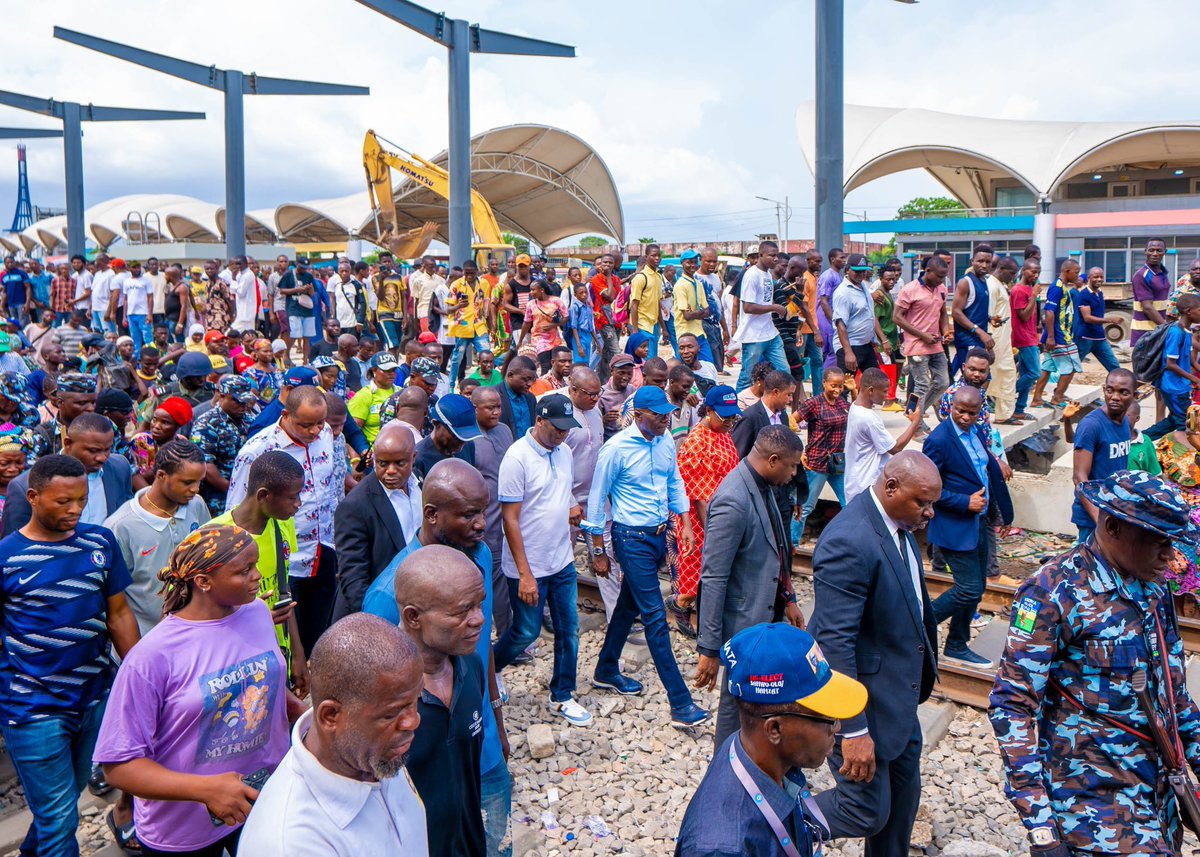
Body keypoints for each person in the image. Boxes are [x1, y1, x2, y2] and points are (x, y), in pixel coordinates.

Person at [991, 470, 1200, 856]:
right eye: (1159, 542)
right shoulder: (1052, 592)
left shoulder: (1152, 589)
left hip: (1158, 804)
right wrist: (1040, 826)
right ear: (1114, 526)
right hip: (1093, 811)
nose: (1171, 557)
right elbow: (1012, 707)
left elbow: (1174, 696)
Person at [93, 525, 303, 857]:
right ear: (203, 582)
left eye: (256, 565)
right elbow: (119, 766)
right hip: (183, 829)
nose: (257, 576)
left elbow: (265, 684)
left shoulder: (258, 613)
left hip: (263, 801)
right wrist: (207, 790)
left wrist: (309, 719)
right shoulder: (152, 658)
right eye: (244, 570)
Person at [0, 454, 139, 857]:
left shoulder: (99, 543)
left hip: (93, 698)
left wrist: (138, 678)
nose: (75, 509)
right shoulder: (7, 558)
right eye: (63, 501)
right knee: (61, 819)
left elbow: (118, 614)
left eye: (80, 499)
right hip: (32, 707)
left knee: (62, 804)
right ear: (33, 497)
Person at [809, 452, 941, 857]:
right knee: (865, 810)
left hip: (897, 698)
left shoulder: (899, 524)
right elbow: (835, 645)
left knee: (901, 807)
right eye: (922, 502)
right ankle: (769, 818)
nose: (930, 513)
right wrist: (853, 730)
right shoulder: (850, 539)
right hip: (863, 705)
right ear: (890, 488)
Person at [236, 614, 427, 856]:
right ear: (330, 715)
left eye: (415, 701)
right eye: (390, 714)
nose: (413, 721)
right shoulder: (290, 844)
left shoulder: (372, 751)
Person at [677, 623, 867, 857]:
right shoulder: (724, 847)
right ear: (775, 728)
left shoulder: (756, 752)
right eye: (827, 719)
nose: (837, 727)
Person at [584, 384, 710, 728]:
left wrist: (684, 521)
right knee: (655, 615)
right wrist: (597, 549)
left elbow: (674, 481)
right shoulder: (616, 450)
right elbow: (597, 500)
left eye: (668, 414)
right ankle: (681, 704)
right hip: (630, 538)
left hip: (658, 534)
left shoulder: (665, 439)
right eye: (658, 416)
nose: (666, 421)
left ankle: (606, 669)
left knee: (629, 603)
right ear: (638, 416)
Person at [694, 422, 808, 746]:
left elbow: (776, 547)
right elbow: (713, 577)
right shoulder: (733, 499)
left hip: (765, 617)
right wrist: (709, 648)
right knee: (736, 709)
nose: (793, 475)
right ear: (773, 461)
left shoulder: (765, 485)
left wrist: (789, 597)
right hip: (743, 628)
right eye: (791, 467)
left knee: (758, 704)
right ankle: (724, 777)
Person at [493, 393, 592, 726]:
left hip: (561, 560)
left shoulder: (563, 452)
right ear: (539, 421)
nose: (563, 435)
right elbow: (510, 519)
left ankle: (562, 695)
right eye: (557, 429)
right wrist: (525, 574)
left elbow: (561, 492)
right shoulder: (517, 458)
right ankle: (489, 671)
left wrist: (571, 507)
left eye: (567, 429)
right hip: (529, 565)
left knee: (570, 630)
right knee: (525, 633)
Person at [228, 385, 345, 656]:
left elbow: (334, 488)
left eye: (320, 422)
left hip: (322, 550)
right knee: (281, 640)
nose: (316, 431)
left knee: (317, 631)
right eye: (306, 425)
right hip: (282, 561)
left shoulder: (326, 434)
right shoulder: (258, 450)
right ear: (286, 415)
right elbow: (236, 511)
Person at [391, 545, 489, 856]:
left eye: (480, 605)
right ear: (413, 617)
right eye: (463, 611)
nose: (480, 620)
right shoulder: (383, 701)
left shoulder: (470, 666)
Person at [924, 386, 1014, 668]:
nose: (964, 417)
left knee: (976, 586)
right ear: (950, 407)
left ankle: (956, 645)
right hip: (955, 524)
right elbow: (927, 487)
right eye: (959, 411)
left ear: (980, 413)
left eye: (971, 413)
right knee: (969, 589)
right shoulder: (939, 440)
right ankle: (918, 625)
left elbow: (985, 473)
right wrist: (964, 502)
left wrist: (1002, 513)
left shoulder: (976, 433)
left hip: (979, 522)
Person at [209, 451, 307, 695]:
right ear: (263, 495)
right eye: (292, 497)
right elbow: (195, 610)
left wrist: (297, 652)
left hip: (275, 651)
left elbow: (284, 591)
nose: (299, 504)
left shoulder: (282, 523)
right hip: (235, 661)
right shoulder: (214, 537)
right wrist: (253, 616)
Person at [104, 438, 211, 634]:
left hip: (194, 633)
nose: (195, 489)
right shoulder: (120, 527)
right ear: (161, 475)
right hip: (145, 638)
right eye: (187, 482)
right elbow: (114, 602)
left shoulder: (196, 505)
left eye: (199, 482)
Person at [332, 421, 419, 620]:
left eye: (399, 463)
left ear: (413, 458)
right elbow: (353, 579)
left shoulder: (420, 485)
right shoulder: (354, 506)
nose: (390, 470)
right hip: (375, 615)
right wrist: (375, 624)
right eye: (383, 463)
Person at [5, 412, 133, 535]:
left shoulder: (120, 468)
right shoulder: (24, 486)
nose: (103, 458)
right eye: (93, 450)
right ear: (68, 443)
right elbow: (16, 545)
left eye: (108, 449)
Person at [732, 370, 808, 551]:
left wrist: (797, 494)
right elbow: (739, 457)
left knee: (783, 544)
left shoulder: (782, 416)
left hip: (781, 493)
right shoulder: (750, 417)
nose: (790, 400)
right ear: (775, 392)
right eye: (788, 395)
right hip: (760, 495)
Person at [471, 384, 516, 637]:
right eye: (490, 408)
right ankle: (505, 632)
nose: (496, 412)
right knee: (494, 576)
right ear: (475, 409)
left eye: (499, 406)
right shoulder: (468, 438)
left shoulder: (504, 431)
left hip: (509, 515)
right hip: (485, 520)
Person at [1071, 369, 1135, 542]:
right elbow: (1079, 477)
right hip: (1094, 516)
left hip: (1115, 511)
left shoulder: (1125, 423)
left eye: (1123, 392)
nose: (1115, 396)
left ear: (1134, 395)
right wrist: (1100, 520)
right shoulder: (1091, 425)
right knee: (1091, 566)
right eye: (1110, 390)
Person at [843, 367, 923, 506]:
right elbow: (895, 449)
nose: (887, 395)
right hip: (866, 486)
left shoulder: (855, 406)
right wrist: (916, 422)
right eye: (885, 391)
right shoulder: (869, 419)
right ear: (871, 391)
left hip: (856, 482)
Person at [793, 367, 850, 545]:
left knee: (849, 503)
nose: (837, 390)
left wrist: (854, 390)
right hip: (817, 463)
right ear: (824, 383)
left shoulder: (842, 403)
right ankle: (790, 544)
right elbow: (791, 421)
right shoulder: (814, 403)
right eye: (833, 385)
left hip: (837, 463)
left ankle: (849, 543)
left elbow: (857, 415)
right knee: (806, 507)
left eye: (840, 386)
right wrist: (799, 451)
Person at [189, 375, 254, 516]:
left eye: (246, 402)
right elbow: (206, 467)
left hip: (248, 492)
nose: (243, 406)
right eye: (238, 401)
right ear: (222, 396)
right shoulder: (207, 423)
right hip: (218, 498)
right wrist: (235, 492)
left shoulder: (249, 419)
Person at [734, 241, 790, 391]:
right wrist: (774, 308)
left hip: (770, 333)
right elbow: (747, 307)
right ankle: (738, 411)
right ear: (760, 255)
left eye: (777, 255)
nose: (776, 259)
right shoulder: (752, 275)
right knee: (747, 378)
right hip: (754, 335)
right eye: (772, 255)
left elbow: (763, 300)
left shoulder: (766, 274)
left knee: (784, 372)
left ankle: (775, 406)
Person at [1146, 293, 1200, 441]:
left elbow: (1189, 359)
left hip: (1181, 386)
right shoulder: (1176, 332)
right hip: (1173, 387)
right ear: (1189, 311)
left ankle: (1140, 438)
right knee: (1186, 424)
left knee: (1173, 421)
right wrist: (1193, 378)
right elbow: (1170, 364)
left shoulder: (1188, 331)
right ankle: (1182, 454)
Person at [1030, 259, 1083, 409]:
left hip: (1059, 335)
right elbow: (1049, 312)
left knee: (1047, 367)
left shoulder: (1064, 287)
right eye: (1076, 272)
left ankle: (1037, 398)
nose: (1077, 276)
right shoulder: (1057, 287)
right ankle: (1057, 396)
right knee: (1072, 366)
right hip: (1060, 336)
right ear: (1067, 271)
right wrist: (1052, 337)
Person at [833, 253, 890, 375]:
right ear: (848, 270)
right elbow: (840, 325)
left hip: (866, 345)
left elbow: (869, 314)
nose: (861, 274)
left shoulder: (862, 285)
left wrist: (877, 338)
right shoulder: (843, 293)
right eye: (857, 271)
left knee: (874, 382)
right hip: (850, 346)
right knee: (844, 388)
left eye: (864, 271)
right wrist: (848, 352)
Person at [950, 244, 994, 375]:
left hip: (978, 339)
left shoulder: (984, 281)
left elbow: (972, 309)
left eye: (988, 262)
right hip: (968, 339)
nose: (984, 265)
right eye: (980, 261)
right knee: (979, 377)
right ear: (972, 261)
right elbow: (956, 312)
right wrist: (979, 331)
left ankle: (945, 393)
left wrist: (990, 318)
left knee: (956, 376)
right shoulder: (966, 282)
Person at [413, 392, 479, 479]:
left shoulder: (468, 445)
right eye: (455, 436)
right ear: (436, 424)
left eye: (466, 436)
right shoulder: (419, 459)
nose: (462, 442)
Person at [446, 260, 492, 384]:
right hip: (463, 327)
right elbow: (448, 310)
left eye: (472, 273)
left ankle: (485, 382)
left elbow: (487, 306)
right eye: (467, 273)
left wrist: (491, 326)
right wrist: (458, 306)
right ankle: (451, 385)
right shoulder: (456, 285)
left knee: (487, 355)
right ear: (463, 272)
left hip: (479, 325)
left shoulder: (484, 284)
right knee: (457, 358)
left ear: (477, 272)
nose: (469, 276)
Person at [1010, 258, 1043, 421]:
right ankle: (1007, 395)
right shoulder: (1018, 290)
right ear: (1024, 270)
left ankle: (1019, 409)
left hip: (1030, 336)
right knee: (1034, 372)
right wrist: (1034, 296)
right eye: (1033, 271)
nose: (1035, 275)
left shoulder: (1029, 289)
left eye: (1038, 272)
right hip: (1023, 338)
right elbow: (1023, 316)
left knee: (1025, 372)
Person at [987, 256, 1019, 423]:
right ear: (1001, 268)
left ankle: (1003, 414)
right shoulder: (992, 286)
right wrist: (989, 344)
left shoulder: (1001, 285)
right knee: (989, 375)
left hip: (1004, 340)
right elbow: (989, 316)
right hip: (995, 340)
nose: (1013, 277)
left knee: (1007, 374)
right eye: (1012, 273)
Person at [1073, 266, 1120, 372]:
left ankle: (1122, 387)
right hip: (1085, 338)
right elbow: (1087, 318)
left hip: (1099, 338)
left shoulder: (1100, 293)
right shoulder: (1084, 295)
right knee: (1072, 367)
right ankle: (1053, 384)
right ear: (1089, 278)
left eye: (1101, 277)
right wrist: (1110, 320)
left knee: (1114, 367)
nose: (1099, 279)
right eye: (1096, 277)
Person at [516, 279, 567, 374]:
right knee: (545, 365)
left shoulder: (556, 301)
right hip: (538, 338)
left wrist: (554, 325)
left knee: (554, 365)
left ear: (542, 290)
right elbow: (526, 323)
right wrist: (520, 341)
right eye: (530, 290)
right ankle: (544, 387)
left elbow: (566, 317)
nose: (531, 293)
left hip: (554, 338)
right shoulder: (531, 304)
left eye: (533, 290)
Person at [348, 352, 399, 445]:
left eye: (394, 370)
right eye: (387, 370)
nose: (391, 374)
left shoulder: (401, 393)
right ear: (374, 371)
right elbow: (353, 432)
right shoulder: (364, 395)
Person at [1131, 237, 1172, 346]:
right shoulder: (1142, 275)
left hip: (1158, 330)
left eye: (1159, 250)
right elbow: (1147, 307)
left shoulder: (1163, 273)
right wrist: (1167, 328)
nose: (1155, 253)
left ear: (1165, 252)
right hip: (1145, 334)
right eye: (1151, 250)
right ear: (1145, 252)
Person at [628, 244, 666, 359]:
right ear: (646, 257)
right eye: (653, 255)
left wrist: (664, 328)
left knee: (652, 358)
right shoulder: (641, 278)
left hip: (654, 324)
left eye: (659, 255)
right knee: (647, 360)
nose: (657, 258)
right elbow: (634, 305)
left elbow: (657, 304)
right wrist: (635, 331)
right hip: (641, 324)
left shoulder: (658, 277)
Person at [816, 248, 846, 369]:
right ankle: (826, 382)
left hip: (831, 318)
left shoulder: (837, 275)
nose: (844, 260)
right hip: (826, 319)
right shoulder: (828, 276)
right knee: (833, 352)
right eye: (842, 258)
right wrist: (834, 321)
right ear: (833, 260)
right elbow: (824, 301)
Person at [497, 354, 537, 439]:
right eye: (525, 379)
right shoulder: (494, 397)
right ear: (510, 375)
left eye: (532, 379)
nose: (530, 384)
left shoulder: (531, 398)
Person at [599, 353, 636, 440]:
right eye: (621, 373)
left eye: (629, 373)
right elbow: (593, 425)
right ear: (612, 371)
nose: (625, 377)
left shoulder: (632, 391)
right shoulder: (602, 394)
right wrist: (604, 420)